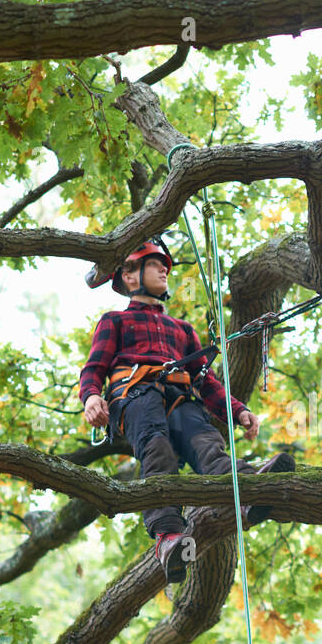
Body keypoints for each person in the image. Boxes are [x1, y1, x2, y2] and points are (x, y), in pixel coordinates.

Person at [80, 237, 294, 583]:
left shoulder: (182, 330)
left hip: (182, 397)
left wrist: (237, 411)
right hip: (135, 397)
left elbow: (207, 382)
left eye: (164, 264)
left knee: (207, 444)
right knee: (157, 447)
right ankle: (168, 536)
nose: (165, 268)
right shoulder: (114, 321)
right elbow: (94, 368)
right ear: (130, 276)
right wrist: (91, 397)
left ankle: (248, 492)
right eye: (155, 264)